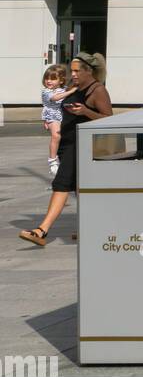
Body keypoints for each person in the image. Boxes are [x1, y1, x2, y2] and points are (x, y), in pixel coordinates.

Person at [19, 52, 113, 247]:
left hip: (81, 145)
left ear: (90, 71)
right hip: (67, 144)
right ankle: (89, 229)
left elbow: (110, 119)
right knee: (82, 188)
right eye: (72, 70)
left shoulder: (97, 91)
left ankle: (42, 231)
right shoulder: (73, 87)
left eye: (78, 71)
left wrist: (86, 111)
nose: (74, 74)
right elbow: (55, 103)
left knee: (61, 184)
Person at [40, 64, 71, 179]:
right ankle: (52, 161)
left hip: (62, 115)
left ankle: (60, 157)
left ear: (61, 80)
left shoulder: (64, 88)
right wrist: (70, 91)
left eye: (53, 79)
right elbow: (55, 98)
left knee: (63, 137)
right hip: (52, 115)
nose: (49, 81)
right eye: (47, 78)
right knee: (56, 136)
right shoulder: (46, 91)